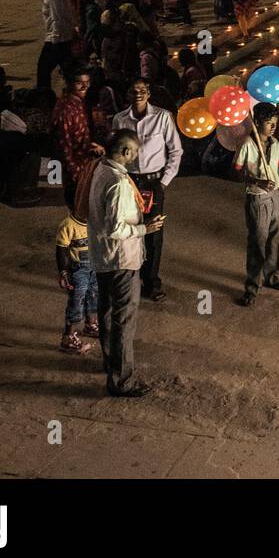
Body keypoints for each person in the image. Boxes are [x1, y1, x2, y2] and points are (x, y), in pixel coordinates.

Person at [85, 129, 164, 397]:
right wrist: (146, 228)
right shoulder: (118, 183)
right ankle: (121, 380)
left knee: (107, 311)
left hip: (103, 255)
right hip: (122, 257)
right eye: (136, 152)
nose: (137, 156)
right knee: (123, 319)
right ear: (126, 151)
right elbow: (117, 228)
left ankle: (110, 363)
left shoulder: (101, 170)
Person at [112, 78, 182, 303]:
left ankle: (151, 283)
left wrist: (164, 182)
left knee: (153, 233)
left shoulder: (162, 117)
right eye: (133, 91)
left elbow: (176, 150)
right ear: (128, 95)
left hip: (154, 183)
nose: (138, 94)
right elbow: (115, 152)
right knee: (128, 230)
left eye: (142, 90)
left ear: (149, 93)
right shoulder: (120, 119)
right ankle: (128, 280)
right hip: (129, 182)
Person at [232, 102, 279, 306]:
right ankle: (252, 286)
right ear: (256, 122)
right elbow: (236, 171)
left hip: (275, 195)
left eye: (275, 123)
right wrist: (257, 181)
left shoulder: (275, 143)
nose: (273, 127)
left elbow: (278, 168)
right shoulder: (247, 144)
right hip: (257, 197)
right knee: (257, 241)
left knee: (276, 238)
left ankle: (273, 277)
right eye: (269, 123)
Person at [52, 67, 104, 209]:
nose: (84, 86)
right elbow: (64, 148)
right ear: (69, 84)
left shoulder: (82, 103)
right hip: (76, 174)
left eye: (87, 82)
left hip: (87, 167)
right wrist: (76, 175)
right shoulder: (66, 109)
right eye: (79, 83)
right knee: (79, 216)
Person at [55, 209, 99, 355]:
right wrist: (63, 273)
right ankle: (68, 338)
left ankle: (91, 325)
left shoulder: (95, 220)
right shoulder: (68, 225)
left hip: (95, 266)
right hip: (78, 270)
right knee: (76, 301)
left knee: (93, 296)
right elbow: (61, 250)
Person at [37, 0, 76, 89]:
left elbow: (57, 18)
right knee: (68, 69)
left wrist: (55, 38)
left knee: (43, 69)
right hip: (63, 38)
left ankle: (45, 96)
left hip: (58, 39)